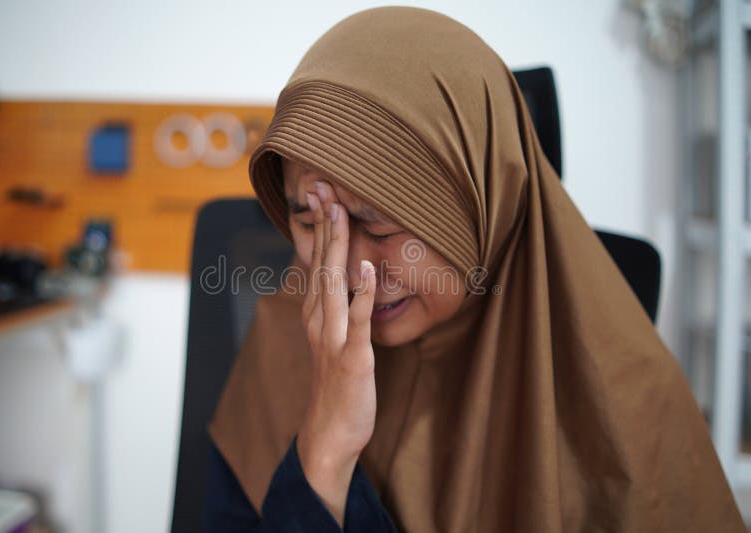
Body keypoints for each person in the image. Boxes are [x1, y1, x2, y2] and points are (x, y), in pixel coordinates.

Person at [205, 6, 745, 532]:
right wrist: (323, 454)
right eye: (313, 222)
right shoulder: (283, 341)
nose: (346, 271)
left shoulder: (624, 404)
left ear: (482, 204)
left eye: (384, 226)